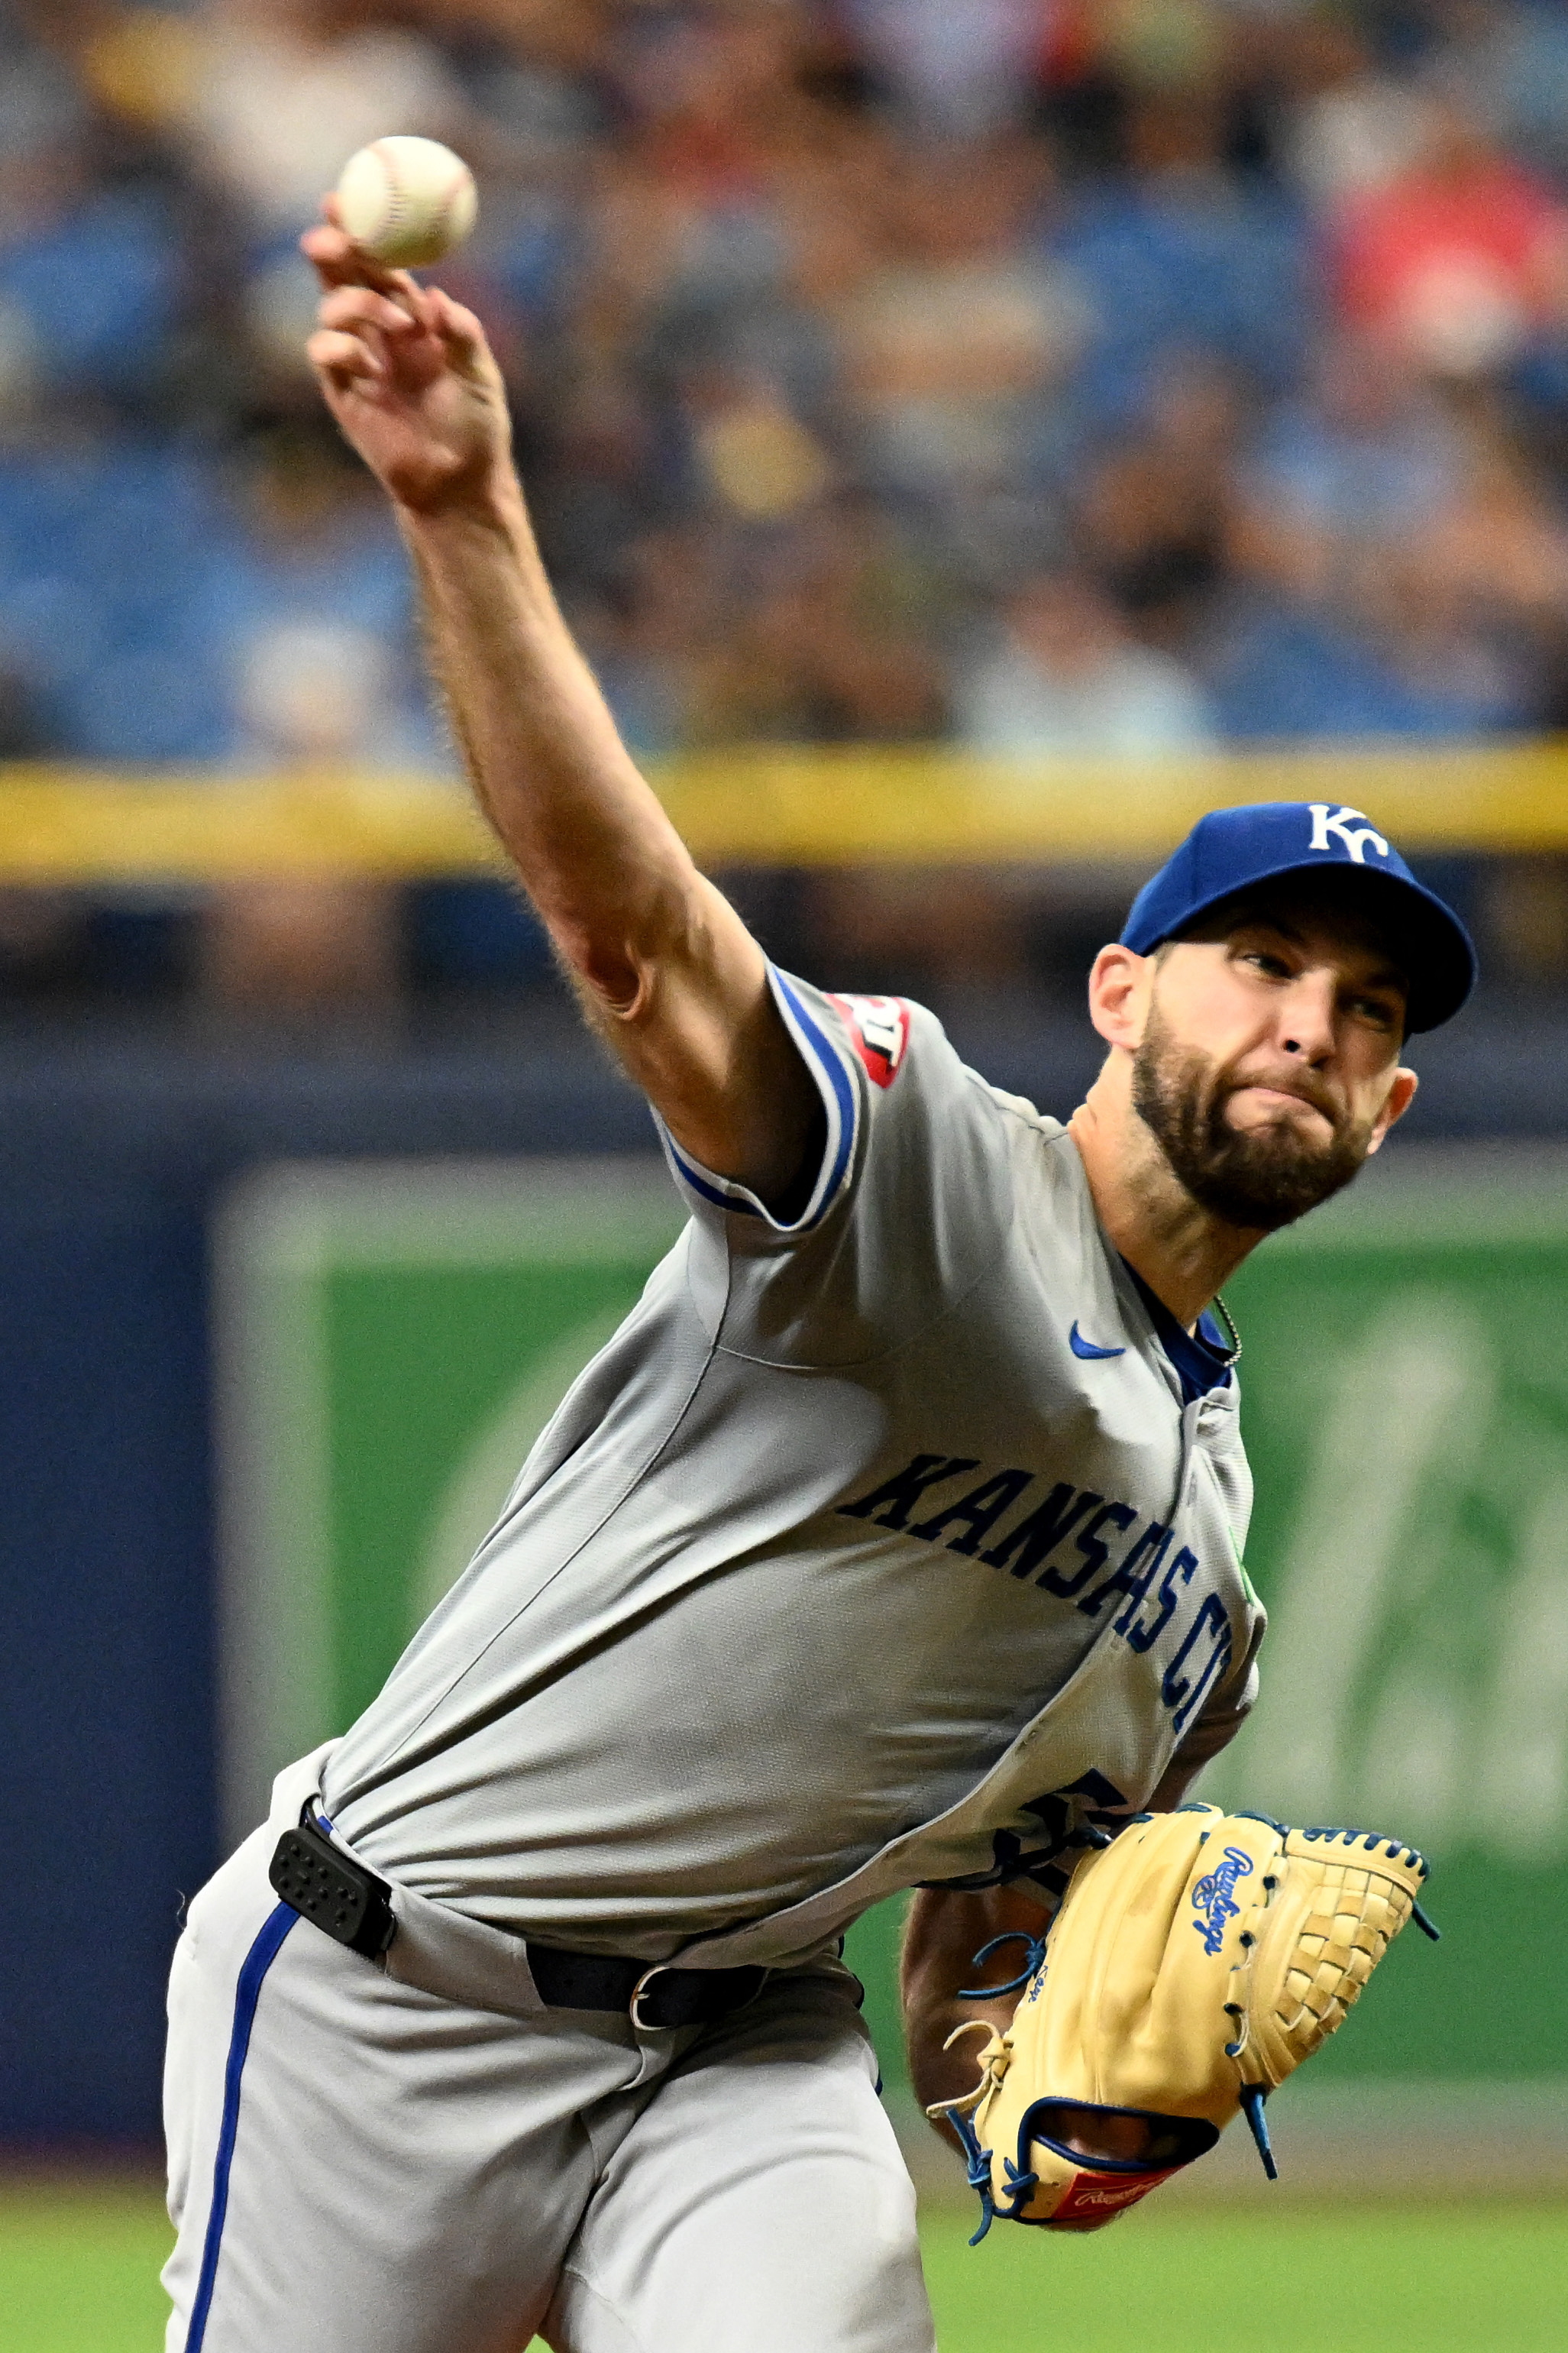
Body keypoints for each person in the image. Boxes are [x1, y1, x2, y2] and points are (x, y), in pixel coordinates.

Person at [160, 209, 1476, 2353]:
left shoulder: (1203, 1582)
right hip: (389, 1992)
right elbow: (639, 940)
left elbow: (977, 1984)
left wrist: (1063, 2114)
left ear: (1392, 1110)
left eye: (1368, 1007)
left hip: (742, 2054)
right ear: (1124, 991)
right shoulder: (928, 1169)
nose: (1313, 1020)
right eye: (1266, 961)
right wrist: (468, 510)